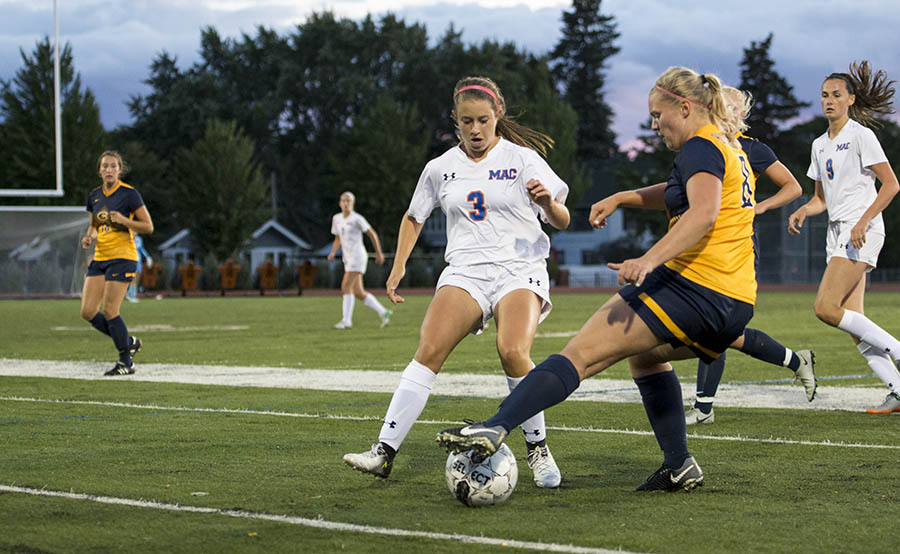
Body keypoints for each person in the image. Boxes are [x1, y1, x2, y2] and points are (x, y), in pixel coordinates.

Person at [436, 67, 757, 492]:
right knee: (643, 357)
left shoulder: (699, 147)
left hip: (694, 288)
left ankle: (494, 427)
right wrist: (624, 196)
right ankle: (680, 464)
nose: (654, 124)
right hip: (735, 301)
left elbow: (702, 213)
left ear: (685, 107)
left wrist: (648, 259)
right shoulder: (726, 147)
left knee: (579, 355)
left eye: (658, 115)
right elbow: (683, 191)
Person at [343, 76, 571, 488]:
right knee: (429, 348)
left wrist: (547, 203)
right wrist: (397, 268)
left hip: (518, 269)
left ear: (497, 114)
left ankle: (538, 449)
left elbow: (562, 219)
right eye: (466, 122)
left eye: (483, 120)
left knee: (512, 350)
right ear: (456, 120)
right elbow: (414, 217)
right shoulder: (440, 167)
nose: (476, 129)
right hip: (465, 271)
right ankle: (383, 452)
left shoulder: (524, 159)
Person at [685, 86, 815, 425]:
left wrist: (761, 207)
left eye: (732, 108)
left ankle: (703, 407)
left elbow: (793, 187)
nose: (725, 112)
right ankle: (794, 361)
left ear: (742, 115)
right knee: (720, 330)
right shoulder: (703, 144)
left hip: (736, 248)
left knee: (718, 327)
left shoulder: (752, 149)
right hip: (703, 244)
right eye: (720, 106)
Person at [788, 61, 900, 414]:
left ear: (851, 99)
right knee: (855, 325)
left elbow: (892, 185)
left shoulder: (861, 135)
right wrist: (805, 209)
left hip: (861, 229)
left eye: (837, 95)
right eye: (824, 95)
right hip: (839, 232)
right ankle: (898, 390)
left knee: (825, 307)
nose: (829, 101)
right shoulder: (819, 145)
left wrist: (864, 221)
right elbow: (822, 199)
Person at [79, 150, 154, 375]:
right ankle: (128, 341)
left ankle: (126, 361)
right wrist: (89, 236)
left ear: (119, 170)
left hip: (123, 257)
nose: (109, 170)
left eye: (113, 166)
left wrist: (124, 221)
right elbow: (94, 224)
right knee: (88, 311)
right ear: (99, 170)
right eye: (105, 166)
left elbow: (148, 226)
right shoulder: (94, 196)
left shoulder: (129, 194)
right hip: (100, 257)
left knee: (110, 310)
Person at [327, 191, 392, 329]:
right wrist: (332, 252)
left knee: (345, 286)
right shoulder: (336, 218)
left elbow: (372, 234)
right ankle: (384, 312)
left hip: (358, 257)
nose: (346, 203)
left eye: (349, 201)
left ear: (353, 203)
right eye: (344, 200)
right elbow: (338, 237)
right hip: (347, 258)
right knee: (358, 292)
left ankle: (346, 321)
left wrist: (379, 253)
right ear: (339, 203)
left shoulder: (357, 219)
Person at [126, 233, 152, 303]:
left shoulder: (139, 239)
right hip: (131, 260)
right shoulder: (128, 239)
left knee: (137, 278)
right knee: (133, 278)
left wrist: (147, 257)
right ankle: (130, 294)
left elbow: (142, 249)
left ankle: (133, 295)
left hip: (139, 261)